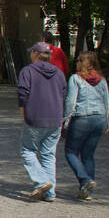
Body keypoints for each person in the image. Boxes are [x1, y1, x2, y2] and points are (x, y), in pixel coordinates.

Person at [18, 40, 67, 201]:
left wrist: (23, 112)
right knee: (48, 155)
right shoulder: (59, 73)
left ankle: (42, 181)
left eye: (32, 52)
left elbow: (23, 93)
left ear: (36, 54)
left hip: (34, 117)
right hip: (55, 119)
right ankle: (50, 193)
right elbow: (63, 94)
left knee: (28, 151)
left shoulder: (28, 71)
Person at [63, 50, 109, 200]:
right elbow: (106, 102)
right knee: (88, 155)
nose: (76, 62)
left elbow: (71, 101)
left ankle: (85, 180)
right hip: (99, 119)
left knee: (70, 152)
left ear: (82, 63)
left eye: (78, 60)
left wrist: (66, 119)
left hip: (82, 118)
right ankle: (87, 191)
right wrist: (107, 121)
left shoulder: (76, 79)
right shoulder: (101, 79)